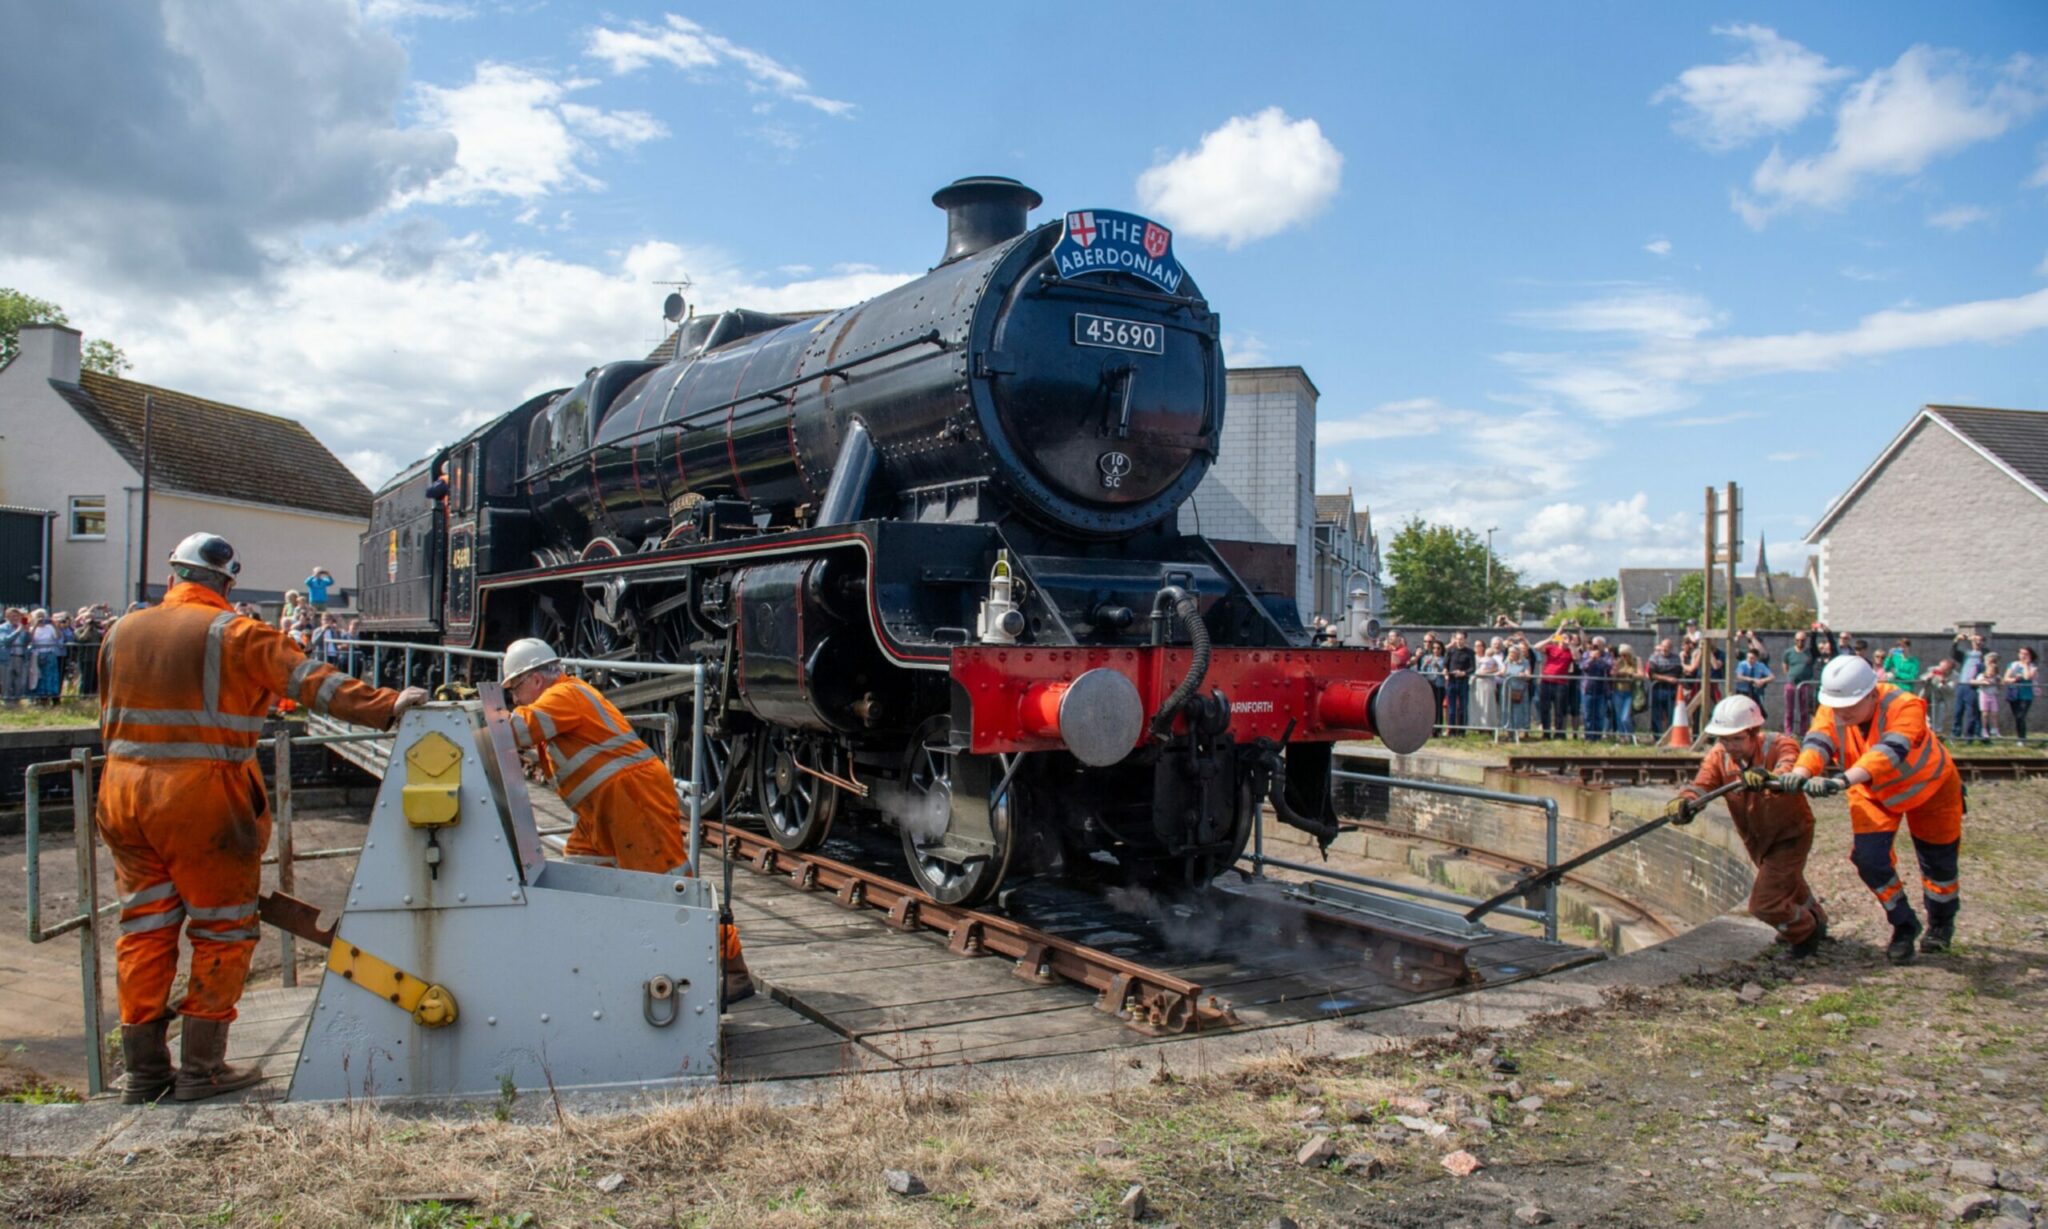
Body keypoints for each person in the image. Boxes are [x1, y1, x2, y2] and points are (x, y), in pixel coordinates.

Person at [96, 533, 427, 1103]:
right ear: (227, 582)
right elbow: (310, 683)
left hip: (121, 794)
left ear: (173, 577)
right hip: (201, 798)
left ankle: (144, 1072)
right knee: (222, 927)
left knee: (144, 929)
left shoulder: (119, 630)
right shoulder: (237, 633)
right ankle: (203, 1068)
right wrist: (385, 705)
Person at [499, 638, 751, 1002]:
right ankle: (598, 963)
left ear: (535, 680)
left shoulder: (564, 696)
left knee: (668, 887)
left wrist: (469, 717)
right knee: (580, 880)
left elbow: (515, 731)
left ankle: (731, 969)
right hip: (600, 811)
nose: (514, 699)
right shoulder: (562, 698)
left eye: (514, 688)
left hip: (634, 800)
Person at [1782, 655, 1964, 964]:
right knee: (1869, 859)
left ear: (1871, 695)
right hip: (1872, 794)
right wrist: (1800, 773)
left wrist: (1841, 780)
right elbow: (1818, 741)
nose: (1841, 715)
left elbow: (1888, 752)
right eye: (1837, 709)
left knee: (1940, 867)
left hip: (1931, 791)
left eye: (1849, 708)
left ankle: (1941, 924)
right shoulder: (1835, 708)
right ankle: (1904, 925)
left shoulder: (1905, 705)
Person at [1665, 696, 1827, 957]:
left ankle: (1806, 931)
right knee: (1790, 883)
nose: (1730, 746)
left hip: (1790, 834)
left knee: (1764, 903)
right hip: (1756, 837)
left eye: (1737, 739)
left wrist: (1769, 777)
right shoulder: (1719, 757)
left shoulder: (1779, 745)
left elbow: (1789, 765)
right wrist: (1685, 802)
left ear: (1754, 734)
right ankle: (1817, 916)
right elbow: (1702, 785)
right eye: (1725, 739)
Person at [1538, 630, 1575, 740]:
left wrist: (1570, 644)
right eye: (1562, 638)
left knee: (1560, 710)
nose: (1563, 640)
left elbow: (1577, 657)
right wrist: (1551, 638)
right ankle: (1546, 733)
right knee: (1545, 708)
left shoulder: (1570, 651)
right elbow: (1537, 647)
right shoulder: (1552, 648)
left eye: (1566, 638)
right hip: (1546, 681)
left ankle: (1559, 733)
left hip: (1561, 684)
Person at [1950, 634, 1986, 742]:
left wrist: (1975, 640)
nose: (1977, 642)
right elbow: (1953, 653)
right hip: (1962, 685)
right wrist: (1956, 640)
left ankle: (1969, 737)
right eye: (1975, 640)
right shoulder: (1967, 654)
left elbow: (1986, 655)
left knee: (1971, 713)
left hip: (1973, 686)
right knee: (1958, 711)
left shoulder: (1984, 654)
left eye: (1980, 640)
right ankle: (1955, 734)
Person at [1647, 638, 1682, 736]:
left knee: (1672, 714)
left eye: (1667, 647)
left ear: (1671, 648)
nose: (1664, 649)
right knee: (1656, 715)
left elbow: (1678, 672)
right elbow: (1653, 674)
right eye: (1663, 646)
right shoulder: (1654, 658)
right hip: (1658, 689)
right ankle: (1658, 737)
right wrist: (1667, 679)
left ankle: (1670, 736)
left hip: (1672, 690)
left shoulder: (1676, 658)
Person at [1579, 638, 1612, 740]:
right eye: (1594, 644)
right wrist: (1591, 659)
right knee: (1588, 714)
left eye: (1598, 645)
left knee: (1599, 714)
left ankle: (1597, 736)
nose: (1596, 647)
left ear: (1603, 645)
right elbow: (1582, 667)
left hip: (1601, 689)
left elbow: (1608, 666)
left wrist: (1598, 659)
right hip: (1587, 688)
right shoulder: (1586, 654)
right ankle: (1588, 736)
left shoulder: (1607, 656)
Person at [1500, 643, 1533, 743]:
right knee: (1507, 709)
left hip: (1519, 690)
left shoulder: (1525, 662)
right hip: (1507, 688)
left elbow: (1528, 675)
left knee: (1518, 710)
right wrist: (1501, 673)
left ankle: (1518, 732)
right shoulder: (1507, 662)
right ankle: (1508, 732)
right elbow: (1502, 672)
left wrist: (1523, 675)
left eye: (1513, 652)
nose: (1511, 654)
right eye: (1510, 652)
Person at [1443, 632, 1476, 732]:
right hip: (1452, 681)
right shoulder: (1451, 651)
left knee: (1463, 707)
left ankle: (1462, 730)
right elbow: (1445, 664)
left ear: (1465, 640)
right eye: (1457, 639)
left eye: (1461, 639)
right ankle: (1451, 730)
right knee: (1451, 708)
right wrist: (1445, 671)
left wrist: (1463, 673)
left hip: (1463, 681)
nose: (1459, 641)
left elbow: (1472, 668)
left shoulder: (1470, 652)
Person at [2005, 647, 2037, 746]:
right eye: (2021, 653)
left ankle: (2022, 739)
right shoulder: (2013, 665)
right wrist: (2014, 679)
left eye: (2026, 654)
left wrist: (2026, 665)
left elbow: (2028, 677)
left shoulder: (2033, 666)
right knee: (2017, 717)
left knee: (2021, 716)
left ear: (2030, 656)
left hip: (2026, 695)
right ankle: (2020, 737)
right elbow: (2006, 678)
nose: (2023, 656)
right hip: (2014, 694)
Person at [1611, 643, 1642, 743]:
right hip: (1618, 691)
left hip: (1630, 692)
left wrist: (1629, 674)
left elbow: (1641, 675)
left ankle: (1631, 736)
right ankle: (1623, 738)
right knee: (1619, 717)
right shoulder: (1619, 661)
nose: (1623, 657)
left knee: (1625, 717)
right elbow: (1612, 674)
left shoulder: (1637, 660)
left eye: (1625, 655)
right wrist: (1615, 672)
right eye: (1622, 655)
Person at [1473, 638, 1504, 732]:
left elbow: (1497, 668)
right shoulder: (1479, 658)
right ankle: (1481, 726)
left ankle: (1493, 726)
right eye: (1494, 644)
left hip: (1494, 683)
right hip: (1482, 684)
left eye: (1498, 644)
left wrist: (1486, 672)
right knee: (1481, 705)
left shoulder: (1500, 657)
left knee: (1492, 705)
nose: (1496, 645)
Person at [1735, 648, 1774, 720]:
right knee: (1742, 712)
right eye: (1748, 658)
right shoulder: (1742, 664)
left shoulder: (1760, 665)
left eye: (1752, 658)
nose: (1749, 660)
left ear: (1756, 658)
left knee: (1760, 713)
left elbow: (1771, 676)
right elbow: (1739, 676)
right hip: (1742, 691)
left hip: (1754, 692)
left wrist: (1762, 681)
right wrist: (1753, 680)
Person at [1, 607, 28, 704]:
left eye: (17, 616)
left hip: (20, 656)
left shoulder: (21, 627)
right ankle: (7, 702)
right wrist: (17, 631)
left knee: (20, 681)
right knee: (7, 681)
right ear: (7, 617)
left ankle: (17, 701)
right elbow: (6, 641)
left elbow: (26, 642)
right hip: (8, 657)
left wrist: (27, 631)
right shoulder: (3, 628)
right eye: (13, 616)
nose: (15, 618)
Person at [1976, 652, 2003, 741]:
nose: (1991, 673)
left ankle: (1995, 729)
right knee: (1985, 714)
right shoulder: (1981, 676)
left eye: (1993, 671)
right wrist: (1985, 681)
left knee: (1994, 713)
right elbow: (1979, 683)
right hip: (1984, 695)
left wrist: (1999, 683)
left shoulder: (1997, 677)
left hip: (1992, 696)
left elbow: (2000, 687)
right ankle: (1984, 730)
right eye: (1990, 671)